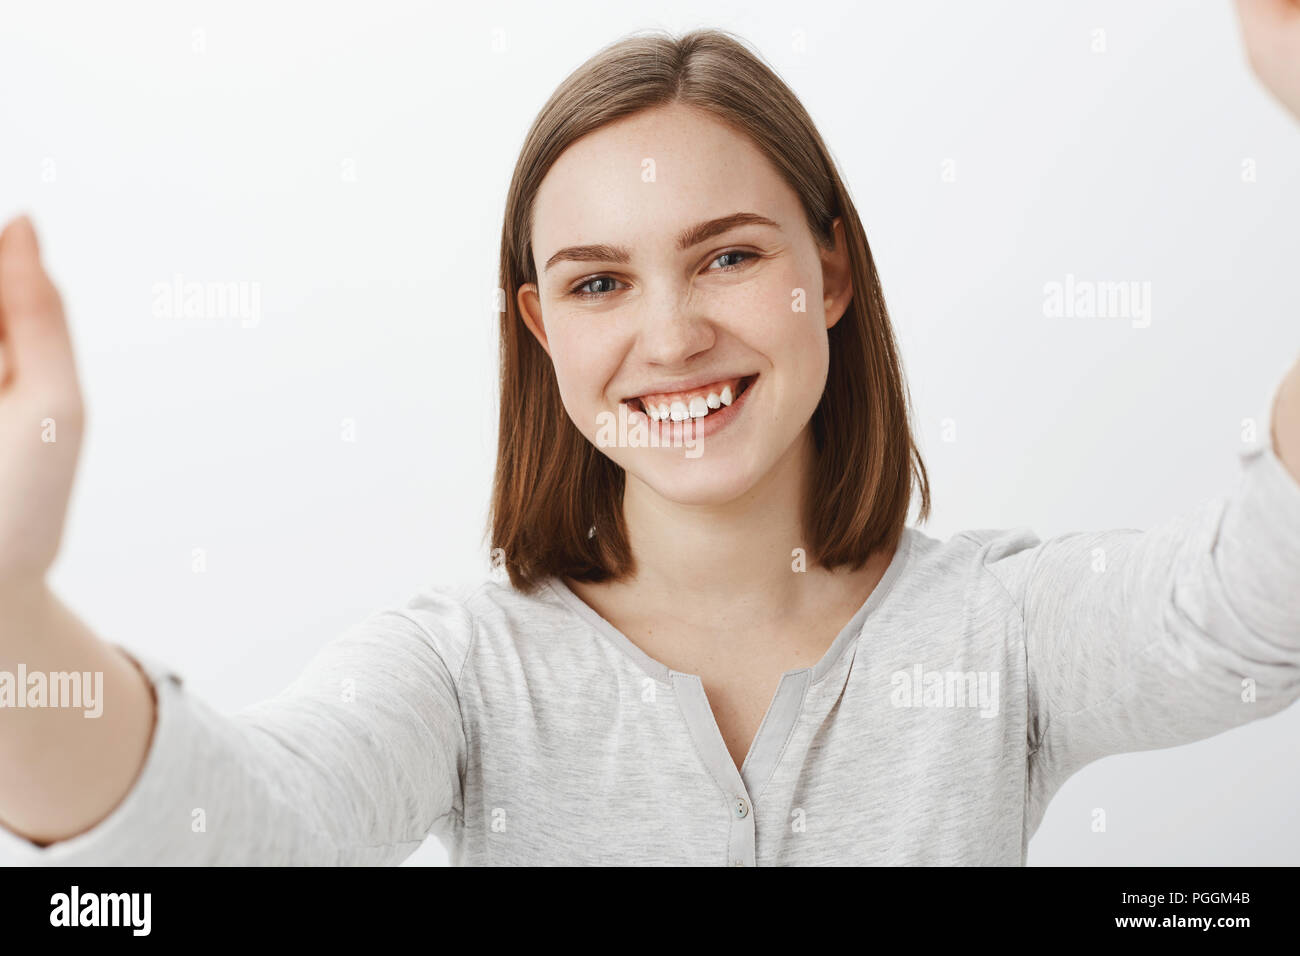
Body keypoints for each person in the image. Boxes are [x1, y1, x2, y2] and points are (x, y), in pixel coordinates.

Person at [2, 4, 1299, 866]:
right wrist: (6, 603)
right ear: (540, 326)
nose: (671, 336)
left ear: (829, 275)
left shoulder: (998, 633)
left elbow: (1251, 608)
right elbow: (230, 838)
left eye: (726, 255)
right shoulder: (464, 673)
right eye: (599, 281)